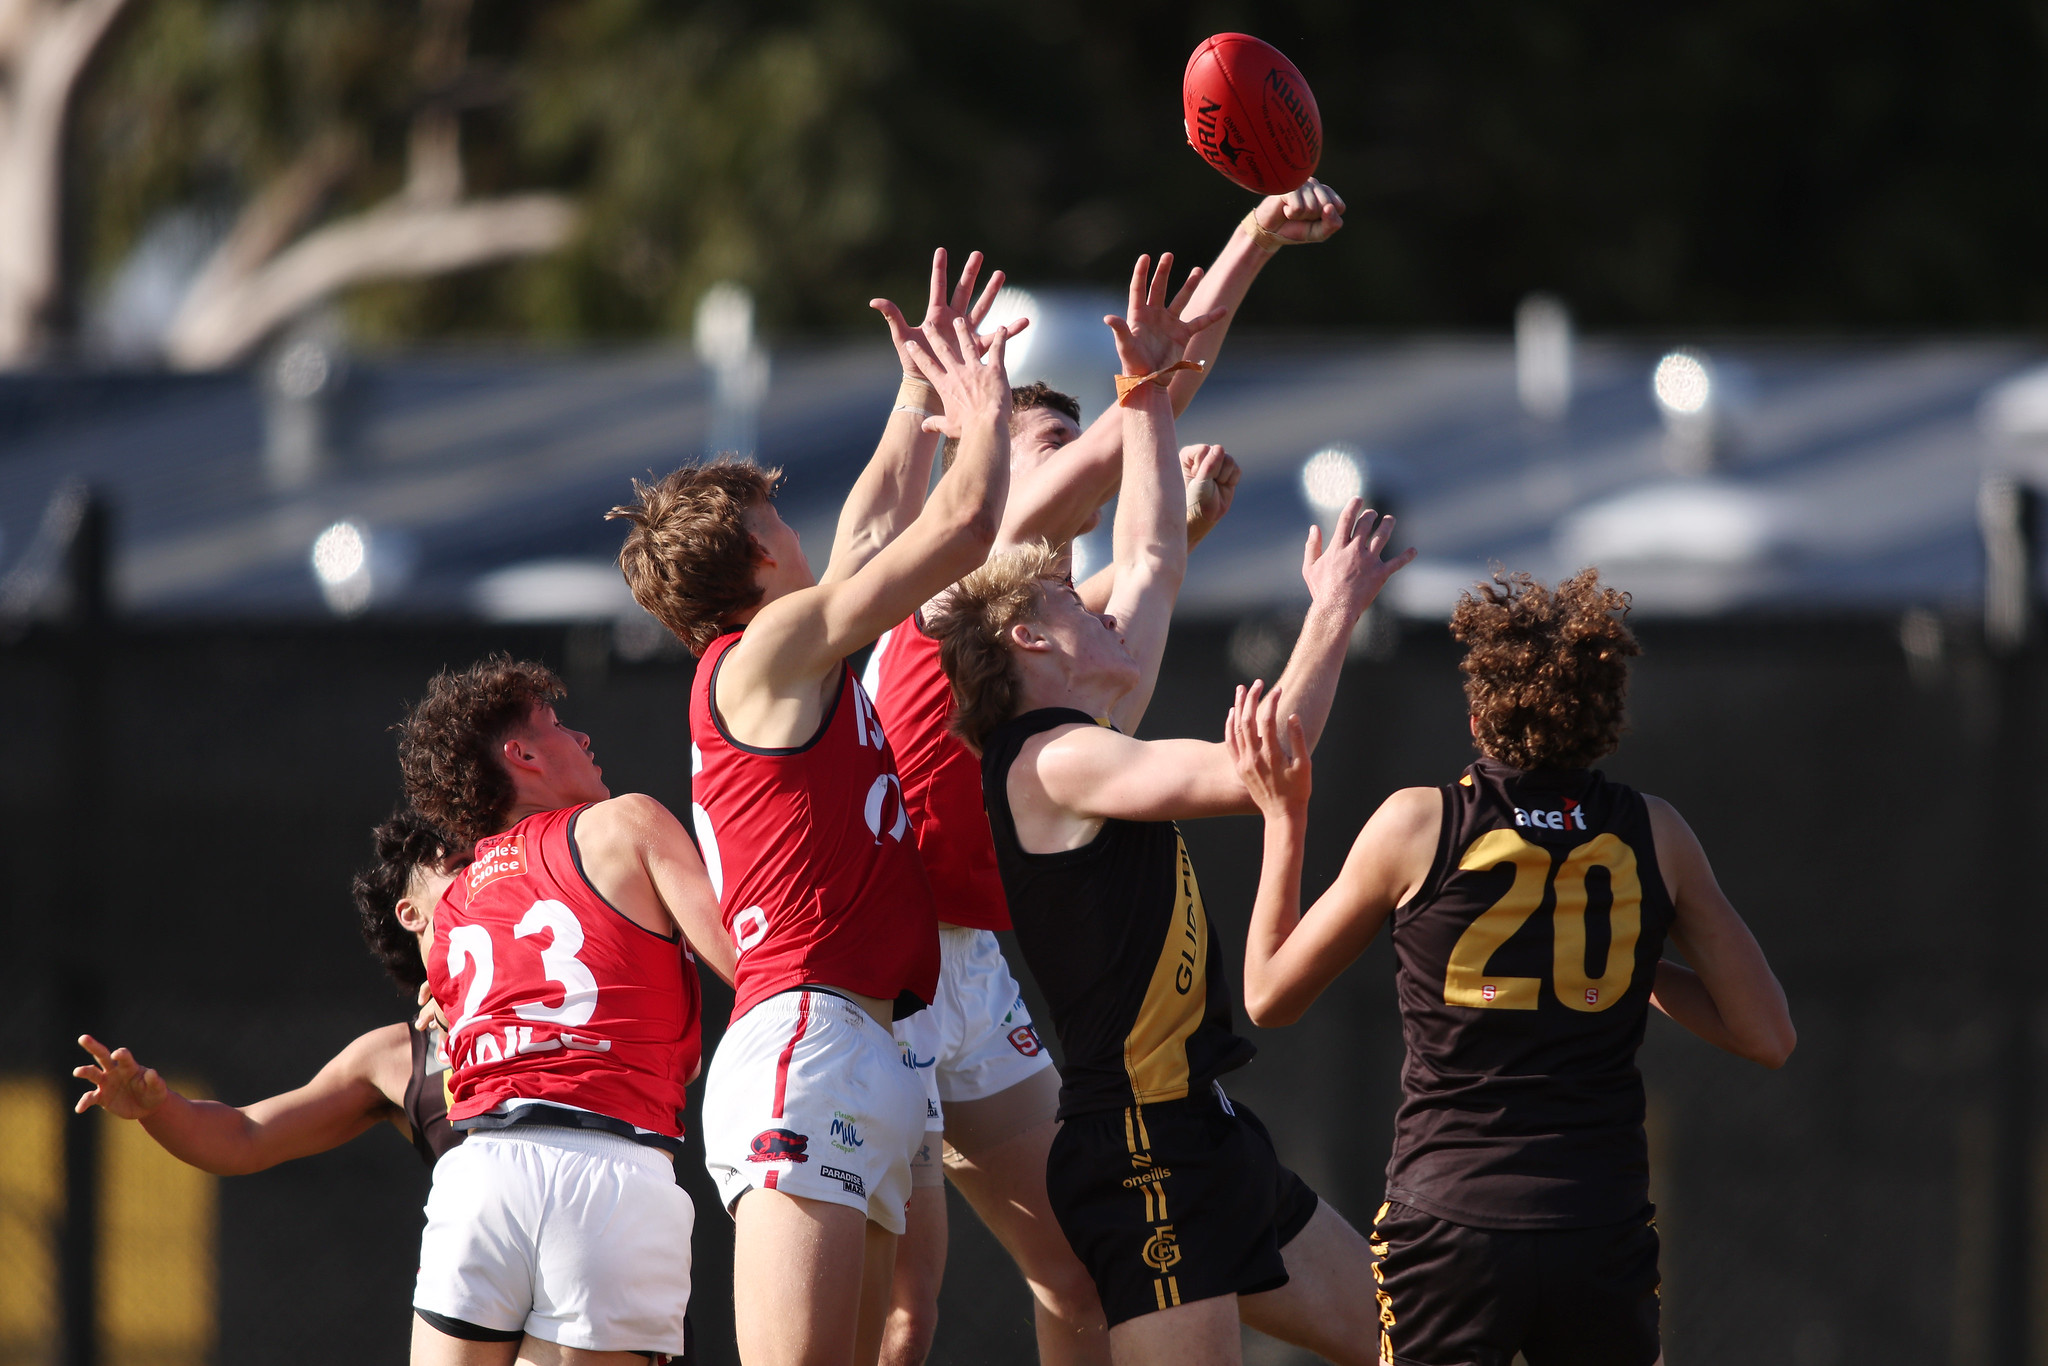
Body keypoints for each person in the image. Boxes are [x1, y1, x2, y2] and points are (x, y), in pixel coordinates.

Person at [860, 187, 1345, 1360]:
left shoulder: (1070, 643)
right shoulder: (962, 584)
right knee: (900, 1309)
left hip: (971, 966)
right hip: (874, 975)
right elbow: (1159, 387)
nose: (1070, 465)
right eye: (1046, 443)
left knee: (1084, 1278)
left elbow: (1149, 527)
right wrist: (1244, 250)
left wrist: (1238, 266)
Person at [1224, 569, 1797, 1366]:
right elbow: (1765, 1033)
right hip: (1598, 1222)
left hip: (1449, 1222)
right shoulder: (1657, 835)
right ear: (1607, 719)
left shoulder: (1417, 824)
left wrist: (1283, 816)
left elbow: (1268, 996)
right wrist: (1626, 957)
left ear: (1477, 712)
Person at [606, 280, 1025, 1366]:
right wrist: (982, 415)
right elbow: (958, 527)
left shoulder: (789, 661)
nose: (798, 532)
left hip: (868, 1043)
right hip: (810, 1039)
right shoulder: (766, 655)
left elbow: (875, 529)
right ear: (755, 561)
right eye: (774, 521)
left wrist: (910, 398)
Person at [397, 656, 731, 1366]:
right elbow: (745, 960)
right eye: (556, 726)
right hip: (611, 1168)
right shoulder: (625, 822)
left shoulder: (454, 902)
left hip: (481, 1172)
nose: (581, 738)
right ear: (520, 755)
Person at [71, 809, 466, 1173]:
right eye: (461, 864)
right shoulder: (394, 1056)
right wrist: (156, 1110)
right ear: (410, 912)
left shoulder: (531, 1010)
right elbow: (245, 1136)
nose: (485, 875)